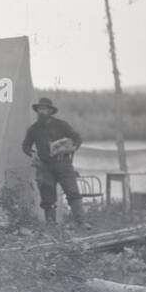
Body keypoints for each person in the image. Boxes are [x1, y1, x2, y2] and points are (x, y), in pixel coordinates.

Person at [21, 96, 89, 228]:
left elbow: (77, 138)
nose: (42, 112)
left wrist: (72, 148)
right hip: (44, 167)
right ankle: (51, 225)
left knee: (73, 192)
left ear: (50, 111)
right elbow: (25, 146)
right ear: (37, 111)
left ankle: (81, 222)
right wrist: (32, 153)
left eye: (45, 109)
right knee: (47, 198)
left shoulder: (61, 125)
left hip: (63, 164)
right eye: (40, 109)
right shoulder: (33, 129)